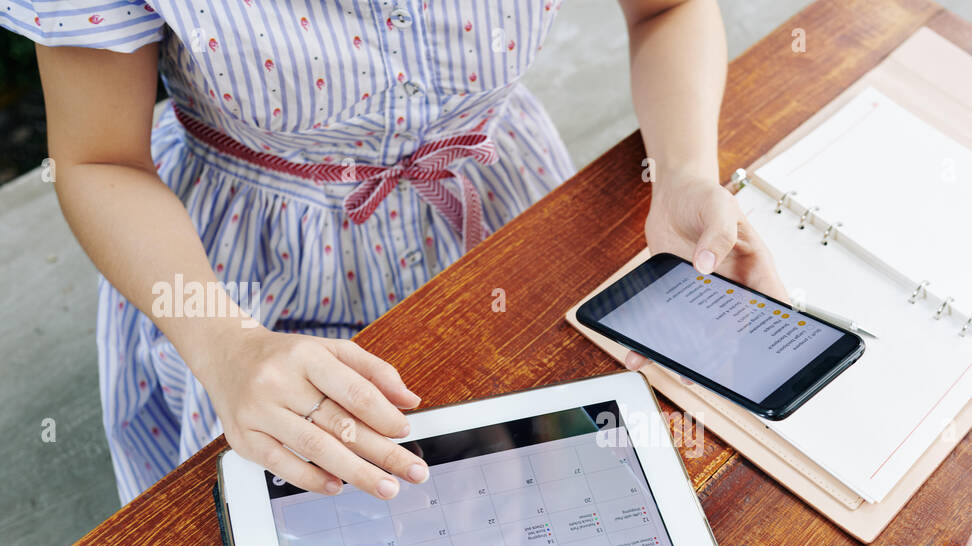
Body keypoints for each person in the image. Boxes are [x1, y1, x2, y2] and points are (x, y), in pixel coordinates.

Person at [4, 0, 782, 503]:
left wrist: (681, 173)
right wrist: (226, 346)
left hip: (501, 218)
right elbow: (100, 160)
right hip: (240, 270)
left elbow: (666, 10)